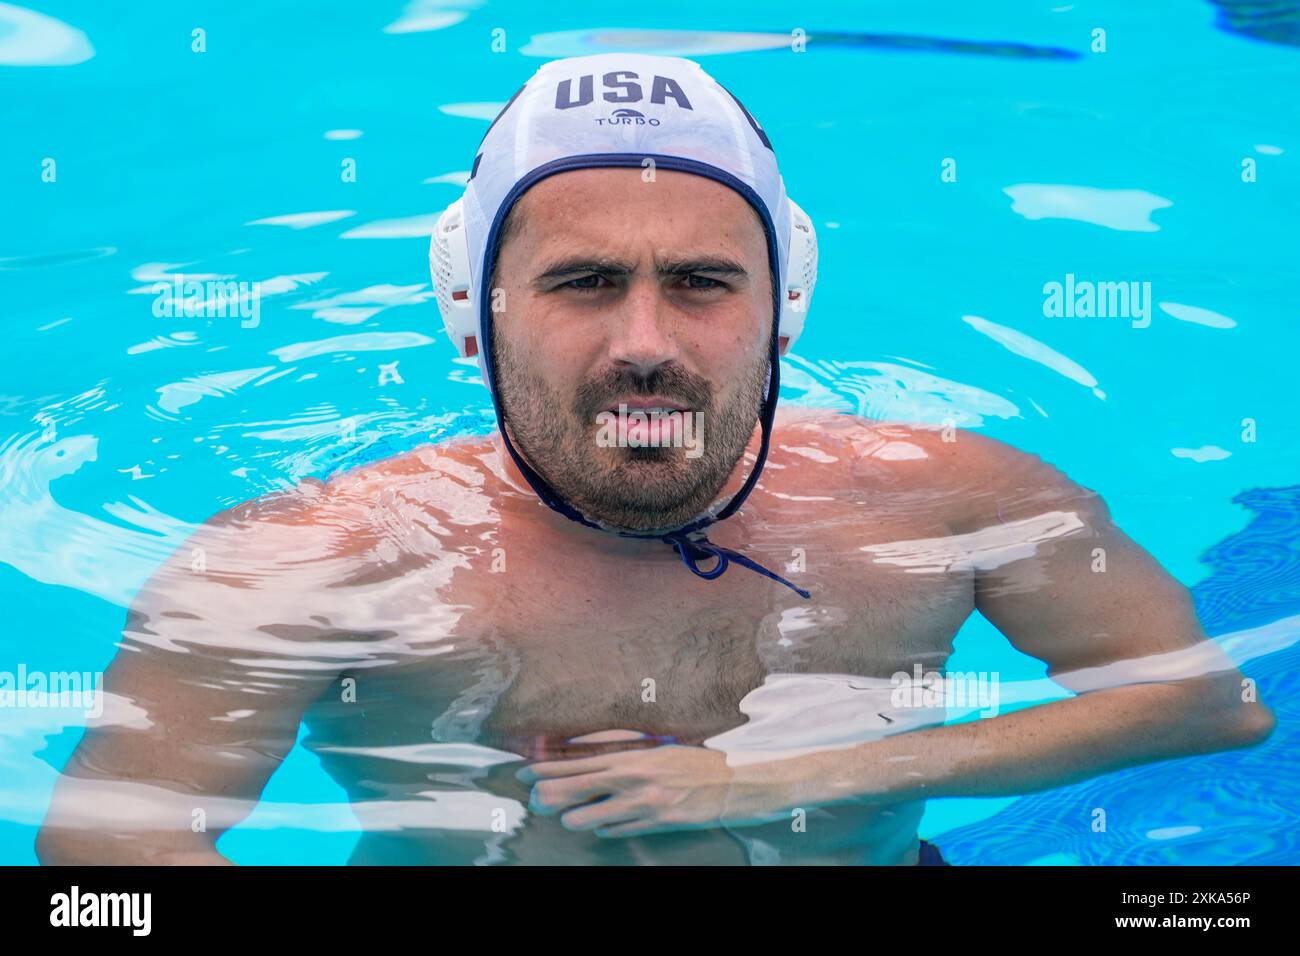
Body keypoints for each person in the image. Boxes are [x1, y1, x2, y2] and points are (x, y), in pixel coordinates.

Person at [36, 53, 1274, 866]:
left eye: (699, 283)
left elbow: (1203, 702)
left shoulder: (959, 498)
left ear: (780, 306)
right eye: (582, 283)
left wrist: (778, 777)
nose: (645, 344)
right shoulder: (309, 560)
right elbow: (101, 862)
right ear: (479, 310)